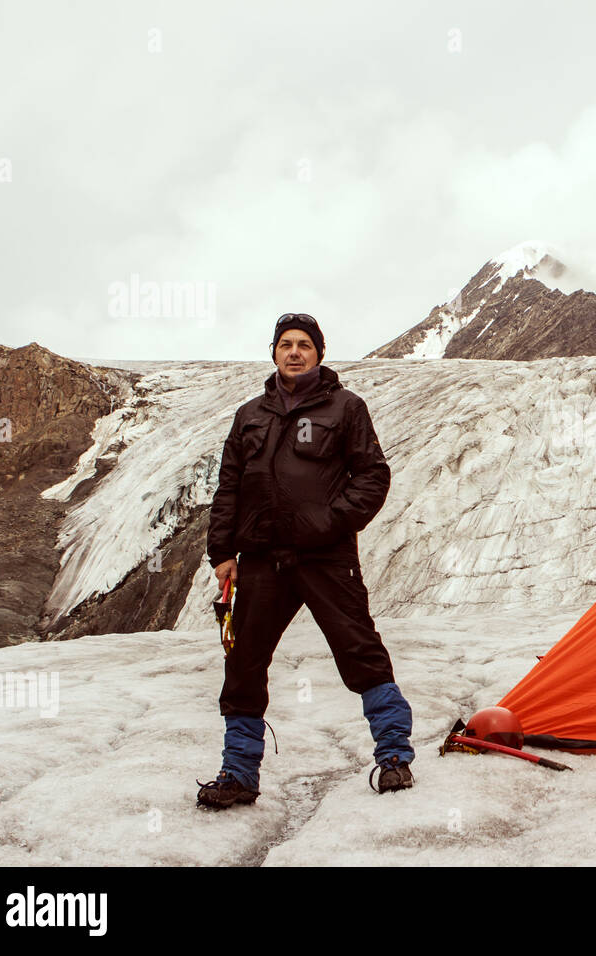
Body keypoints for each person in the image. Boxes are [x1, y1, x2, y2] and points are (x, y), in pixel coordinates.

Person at [197, 313, 414, 810]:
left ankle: (394, 755)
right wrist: (222, 553)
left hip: (325, 557)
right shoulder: (249, 415)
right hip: (259, 560)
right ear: (273, 352)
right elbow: (228, 486)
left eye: (305, 345)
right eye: (286, 345)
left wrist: (327, 522)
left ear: (319, 353)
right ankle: (238, 774)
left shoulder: (346, 409)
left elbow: (372, 477)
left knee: (359, 650)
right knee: (244, 665)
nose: (294, 352)